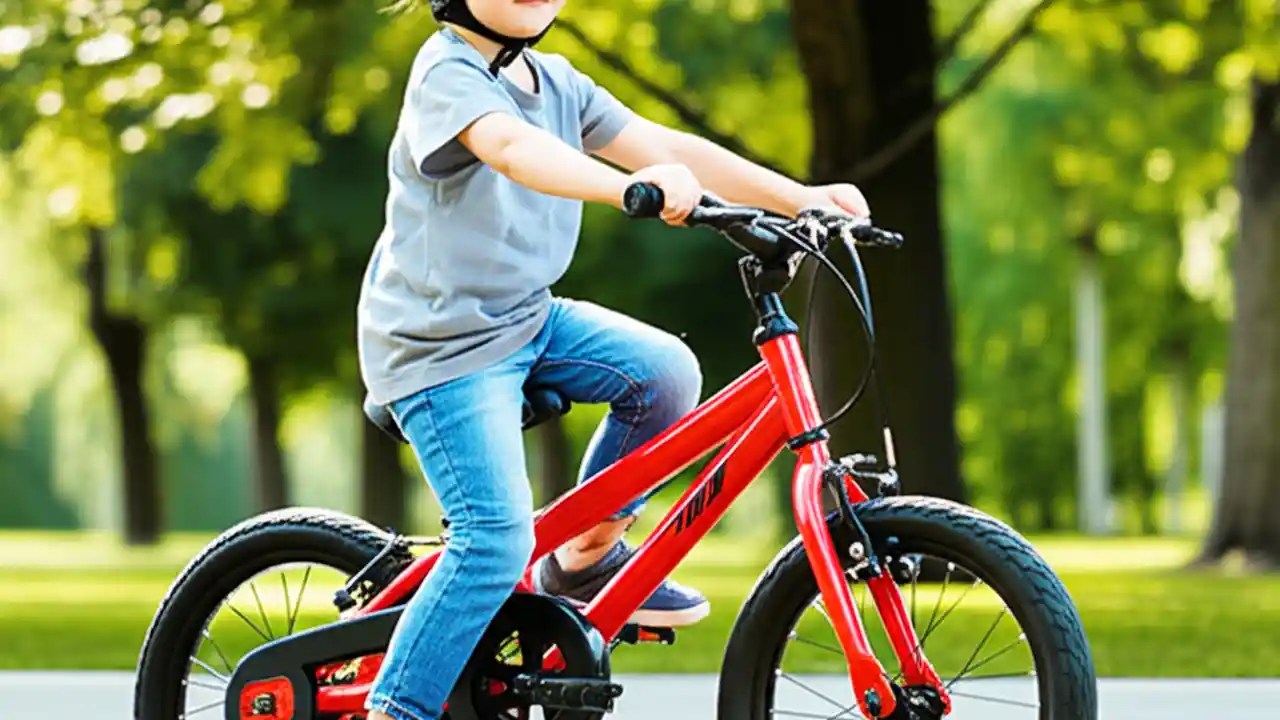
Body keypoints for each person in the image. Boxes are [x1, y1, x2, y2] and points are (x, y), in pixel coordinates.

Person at [358, 1, 870, 718]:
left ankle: (584, 557)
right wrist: (626, 188)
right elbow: (511, 149)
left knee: (664, 372)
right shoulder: (448, 72)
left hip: (525, 318)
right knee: (494, 541)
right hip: (440, 347)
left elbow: (668, 145)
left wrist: (802, 199)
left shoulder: (559, 83)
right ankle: (397, 708)